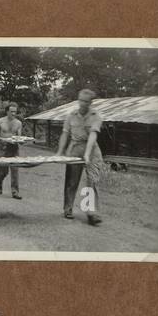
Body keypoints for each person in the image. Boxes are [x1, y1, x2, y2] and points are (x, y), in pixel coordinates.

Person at [57, 87, 104, 225]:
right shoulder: (71, 115)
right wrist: (60, 152)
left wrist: (87, 155)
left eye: (85, 101)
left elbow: (93, 136)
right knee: (72, 181)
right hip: (75, 148)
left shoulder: (96, 116)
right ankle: (68, 209)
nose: (82, 104)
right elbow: (65, 134)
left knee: (92, 180)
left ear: (90, 103)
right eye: (80, 101)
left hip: (92, 149)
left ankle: (91, 213)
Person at [0, 100, 24, 199]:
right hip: (3, 148)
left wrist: (21, 141)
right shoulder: (0, 121)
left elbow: (19, 136)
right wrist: (3, 139)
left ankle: (15, 192)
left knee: (15, 170)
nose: (14, 113)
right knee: (3, 171)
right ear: (7, 111)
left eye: (15, 112)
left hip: (14, 149)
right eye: (12, 111)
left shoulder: (18, 123)